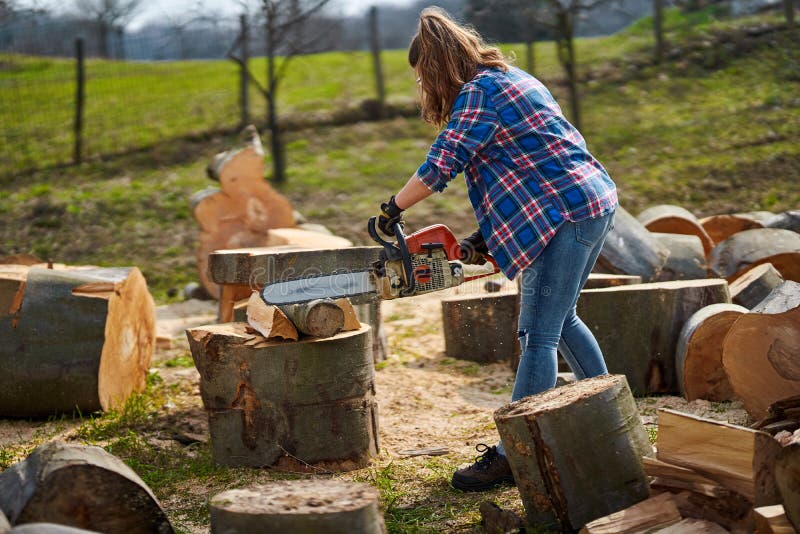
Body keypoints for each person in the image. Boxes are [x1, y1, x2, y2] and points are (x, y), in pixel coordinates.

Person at [375, 7, 619, 492]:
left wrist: (392, 209)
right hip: (586, 202)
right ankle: (610, 415)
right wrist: (481, 240)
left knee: (537, 334)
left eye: (423, 77)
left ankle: (513, 454)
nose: (424, 87)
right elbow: (525, 163)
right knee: (562, 320)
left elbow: (444, 161)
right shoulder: (512, 78)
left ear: (438, 66)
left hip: (565, 211)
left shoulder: (480, 92)